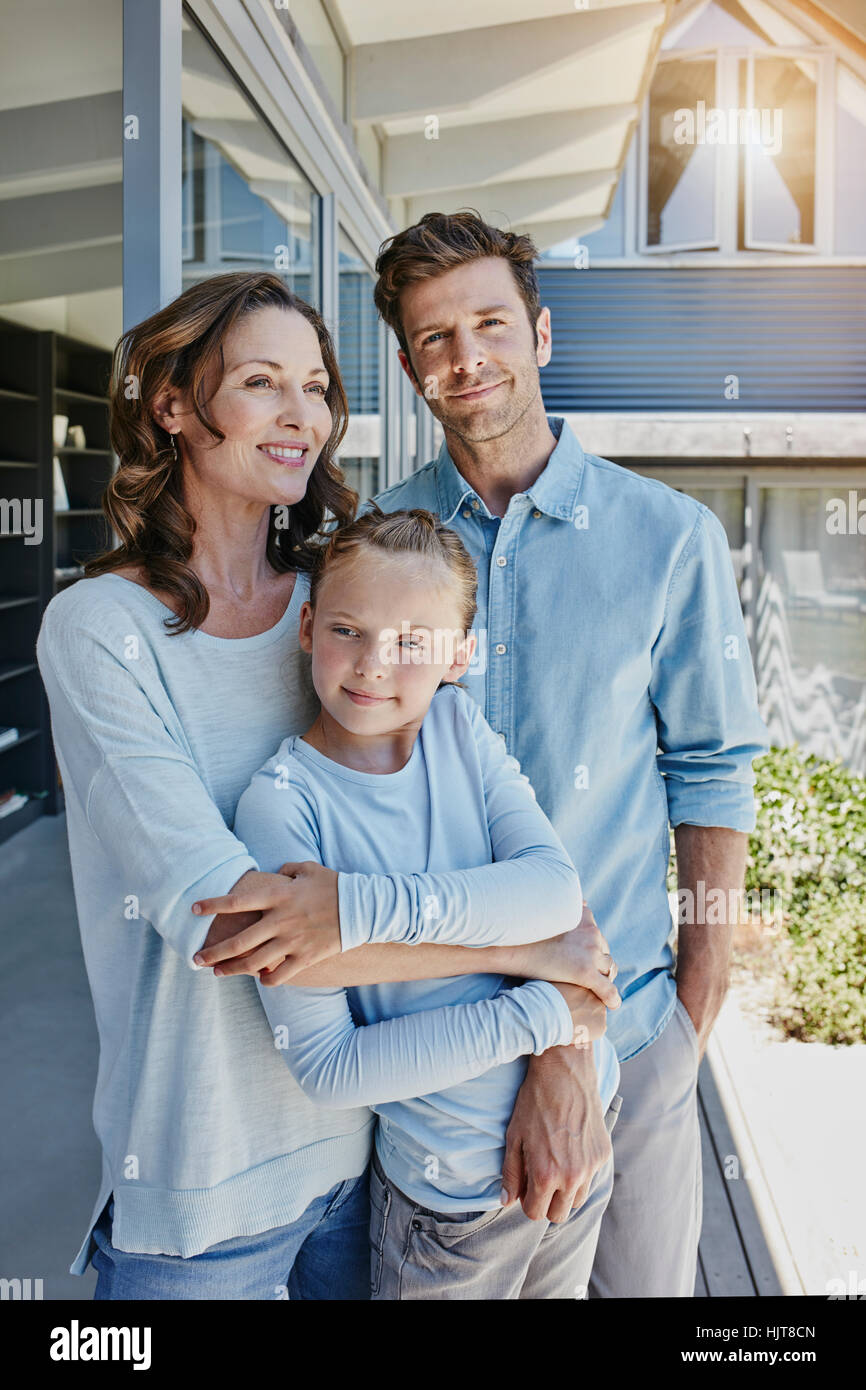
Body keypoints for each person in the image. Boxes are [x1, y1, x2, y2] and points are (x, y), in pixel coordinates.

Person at [36, 269, 617, 1300]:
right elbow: (234, 925)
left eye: (315, 385)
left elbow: (501, 850)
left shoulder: (343, 610)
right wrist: (541, 961)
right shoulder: (102, 630)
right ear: (172, 404)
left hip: (376, 1164)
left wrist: (553, 1005)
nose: (301, 413)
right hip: (204, 1189)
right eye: (261, 382)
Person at [362, 211, 771, 1297]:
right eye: (435, 338)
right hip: (433, 1040)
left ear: (539, 335)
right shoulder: (374, 543)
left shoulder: (668, 536)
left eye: (489, 322)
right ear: (410, 368)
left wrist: (693, 1004)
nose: (467, 357)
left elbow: (710, 774)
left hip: (630, 1028)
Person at [226, 505, 621, 1299]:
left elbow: (551, 892)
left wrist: (351, 910)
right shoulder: (280, 806)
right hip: (449, 1205)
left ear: (460, 655)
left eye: (413, 642)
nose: (373, 663)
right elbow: (331, 1068)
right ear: (306, 627)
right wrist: (544, 1010)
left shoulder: (458, 728)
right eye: (348, 630)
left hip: (586, 1128)